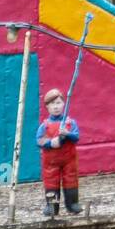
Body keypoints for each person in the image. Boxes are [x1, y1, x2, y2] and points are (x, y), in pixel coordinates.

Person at [35, 88, 81, 216]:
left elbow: (76, 137)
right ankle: (52, 206)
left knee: (71, 180)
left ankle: (72, 204)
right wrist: (51, 143)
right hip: (51, 162)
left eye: (58, 103)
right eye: (52, 104)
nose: (56, 107)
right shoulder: (44, 125)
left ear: (63, 104)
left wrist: (68, 134)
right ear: (47, 107)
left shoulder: (70, 123)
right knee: (51, 181)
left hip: (69, 160)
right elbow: (39, 141)